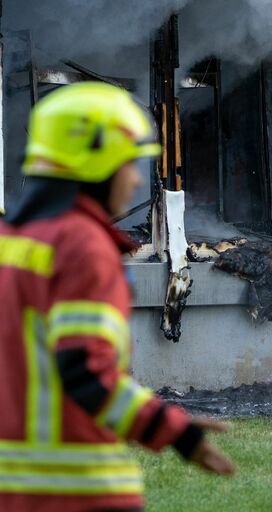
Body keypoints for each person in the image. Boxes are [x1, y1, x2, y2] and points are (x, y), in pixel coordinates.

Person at [0, 81, 235, 511]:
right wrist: (172, 429)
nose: (133, 179)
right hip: (79, 493)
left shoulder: (11, 242)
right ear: (95, 163)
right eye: (127, 164)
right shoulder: (81, 247)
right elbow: (85, 371)